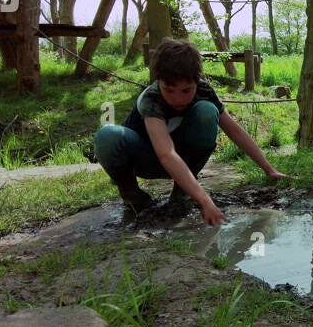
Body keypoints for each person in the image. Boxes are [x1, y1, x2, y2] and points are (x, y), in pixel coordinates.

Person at [94, 39, 286, 225]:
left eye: (186, 91)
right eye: (169, 90)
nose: (177, 98)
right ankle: (133, 197)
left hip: (185, 160)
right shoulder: (151, 99)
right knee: (107, 135)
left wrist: (269, 170)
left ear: (197, 80)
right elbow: (166, 154)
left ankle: (182, 193)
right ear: (158, 80)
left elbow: (234, 131)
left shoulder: (204, 91)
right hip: (146, 160)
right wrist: (205, 201)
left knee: (207, 111)